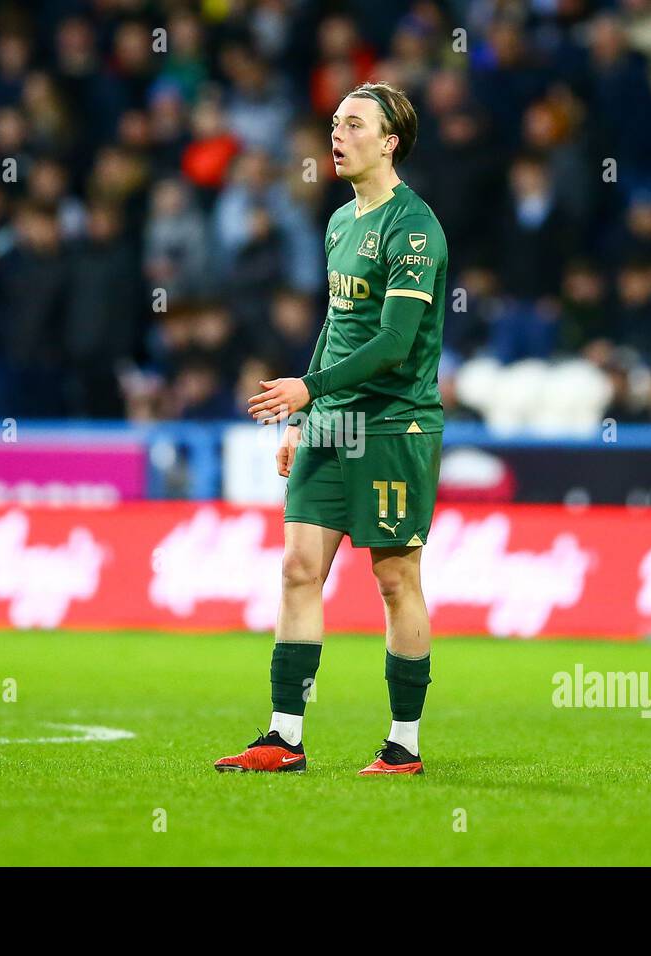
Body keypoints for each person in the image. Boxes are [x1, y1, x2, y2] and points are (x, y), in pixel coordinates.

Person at [214, 81, 447, 776]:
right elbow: (338, 327)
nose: (336, 136)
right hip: (334, 421)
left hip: (393, 426)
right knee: (297, 569)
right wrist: (308, 415)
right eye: (334, 124)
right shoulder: (341, 221)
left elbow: (395, 343)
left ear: (390, 141)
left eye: (353, 125)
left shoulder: (414, 227)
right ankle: (285, 737)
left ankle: (404, 743)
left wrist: (307, 389)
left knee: (394, 580)